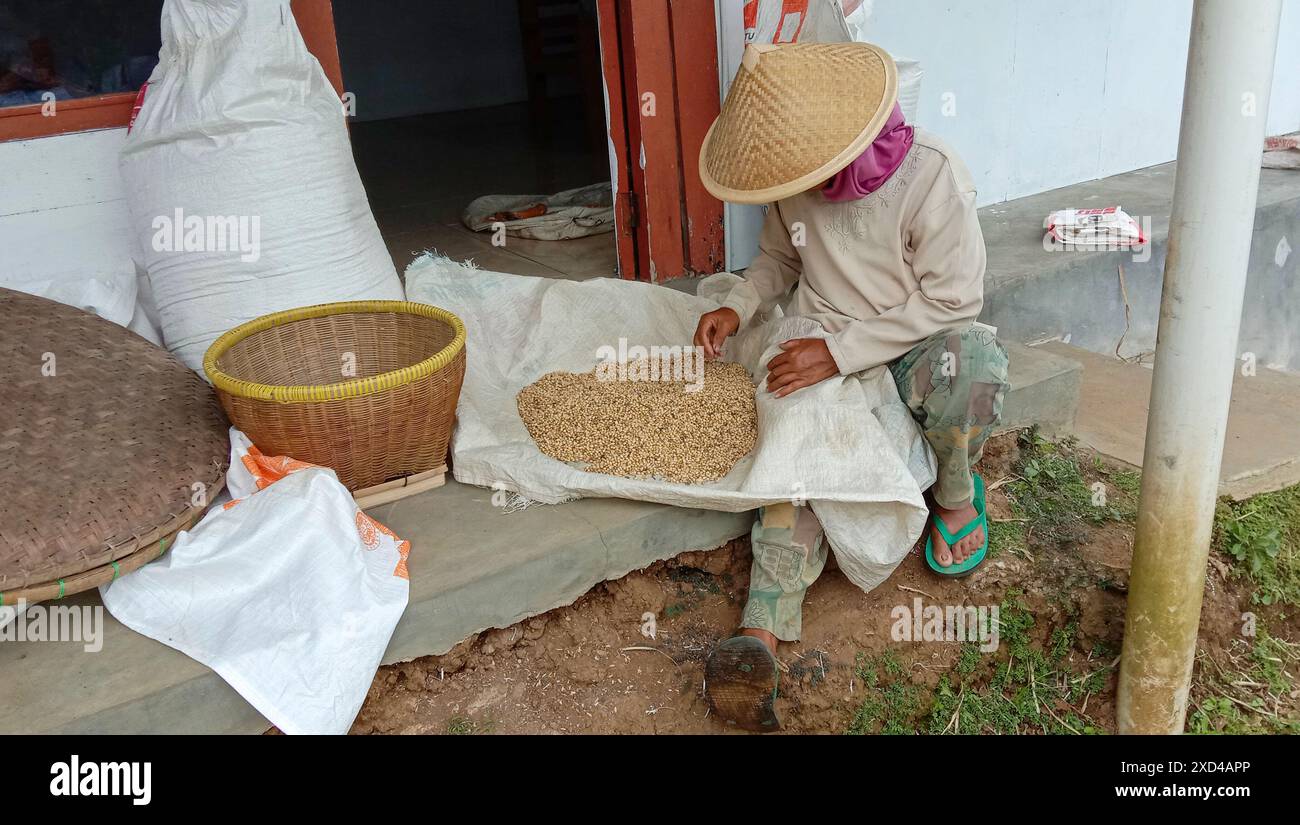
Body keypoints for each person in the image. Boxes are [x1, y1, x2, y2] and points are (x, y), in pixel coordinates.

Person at [693, 41, 1009, 730]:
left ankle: (955, 494)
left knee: (973, 366)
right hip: (818, 336)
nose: (804, 182)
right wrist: (739, 305)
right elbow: (779, 258)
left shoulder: (932, 177)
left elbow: (954, 303)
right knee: (794, 454)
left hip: (911, 341)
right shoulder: (796, 175)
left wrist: (841, 353)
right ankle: (761, 634)